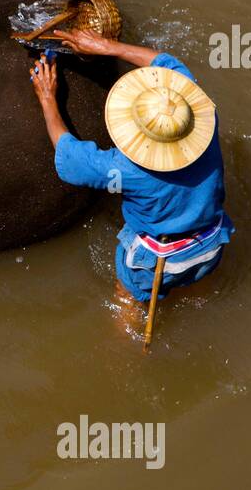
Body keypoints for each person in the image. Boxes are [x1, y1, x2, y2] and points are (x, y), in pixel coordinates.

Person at [29, 28, 233, 334]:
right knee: (196, 289)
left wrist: (47, 98)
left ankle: (125, 348)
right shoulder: (205, 118)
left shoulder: (125, 169)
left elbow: (69, 155)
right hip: (211, 243)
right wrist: (107, 47)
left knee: (128, 303)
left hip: (155, 259)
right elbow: (166, 62)